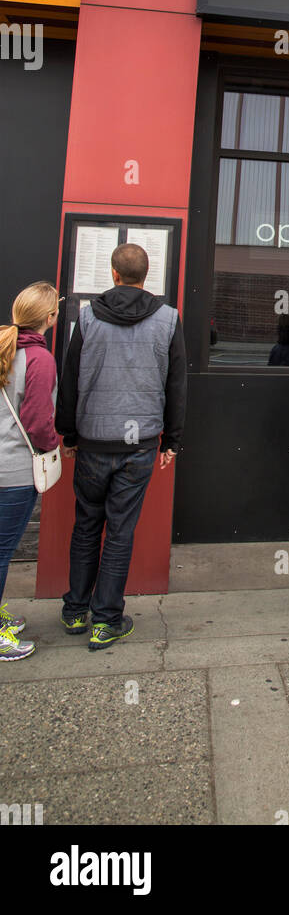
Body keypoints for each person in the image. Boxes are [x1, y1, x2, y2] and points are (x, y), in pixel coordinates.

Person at [56, 243, 186, 650]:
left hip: (94, 440)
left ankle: (76, 610)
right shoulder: (168, 319)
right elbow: (177, 384)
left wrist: (68, 434)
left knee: (86, 524)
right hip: (140, 444)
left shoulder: (88, 316)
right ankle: (106, 619)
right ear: (147, 276)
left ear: (113, 274)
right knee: (120, 531)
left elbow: (70, 377)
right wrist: (173, 439)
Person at [0, 282, 61, 662]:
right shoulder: (40, 359)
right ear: (50, 318)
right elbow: (37, 421)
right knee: (1, 551)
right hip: (13, 472)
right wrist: (53, 445)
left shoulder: (4, 346)